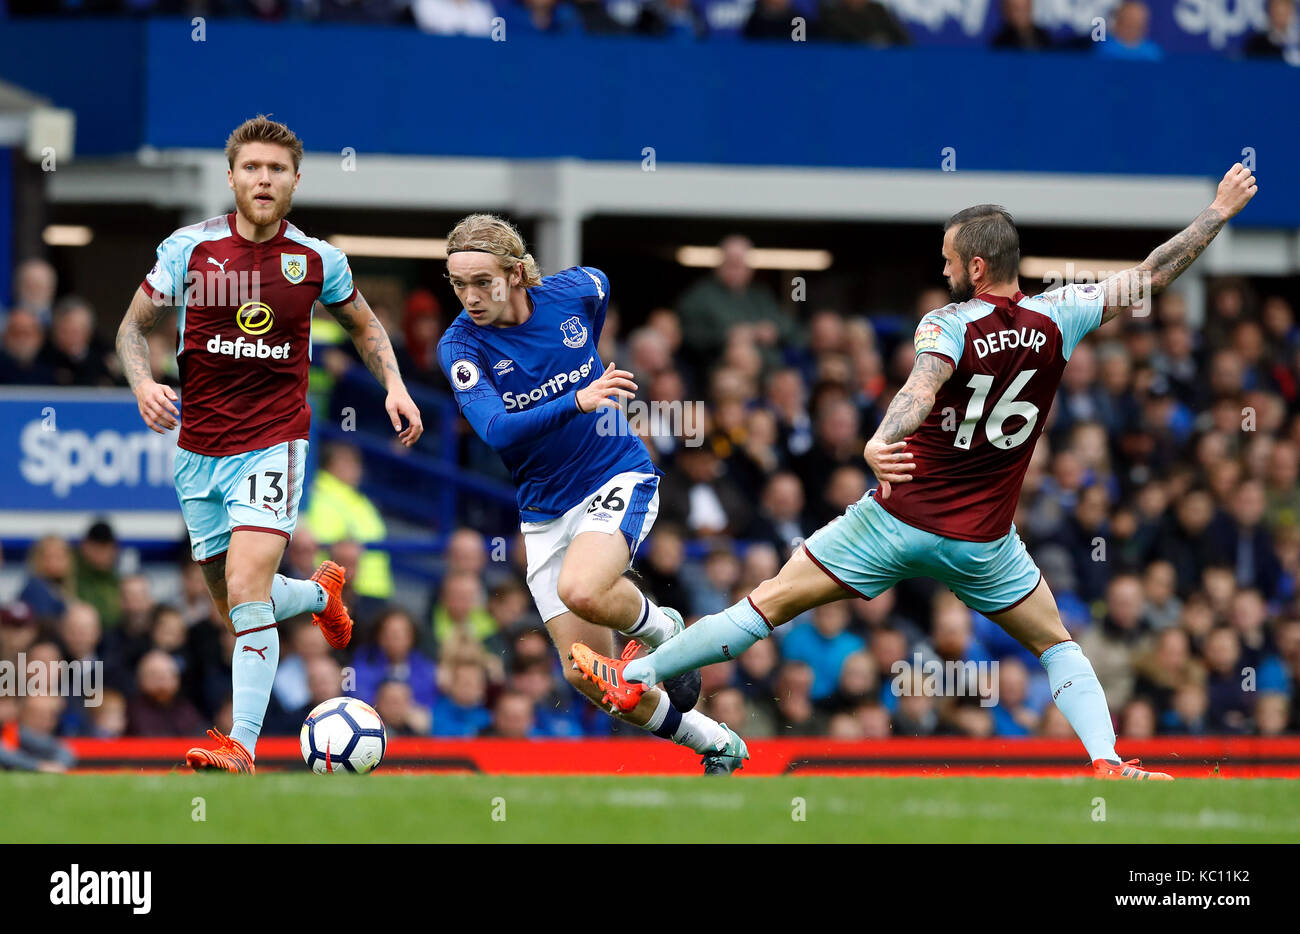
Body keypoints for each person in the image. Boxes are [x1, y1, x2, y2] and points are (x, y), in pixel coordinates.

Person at [573, 163, 1260, 781]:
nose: (945, 269)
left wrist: (880, 440)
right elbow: (1153, 273)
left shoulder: (950, 322)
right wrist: (1216, 214)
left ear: (979, 267)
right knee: (1057, 643)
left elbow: (919, 390)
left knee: (767, 604)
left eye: (950, 260)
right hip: (985, 543)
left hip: (896, 519)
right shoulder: (1064, 314)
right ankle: (1107, 759)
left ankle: (637, 676)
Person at [116, 115, 423, 773]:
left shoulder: (316, 261)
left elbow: (366, 327)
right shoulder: (189, 251)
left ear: (294, 180)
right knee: (234, 606)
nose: (263, 178)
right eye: (252, 167)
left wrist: (394, 384)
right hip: (198, 452)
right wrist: (143, 383)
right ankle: (317, 595)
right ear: (231, 177)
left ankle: (242, 747)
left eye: (276, 169)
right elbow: (132, 329)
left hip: (274, 441)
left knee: (249, 586)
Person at [436, 214, 743, 772]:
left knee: (582, 587)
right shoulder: (461, 346)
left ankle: (660, 628)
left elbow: (600, 284)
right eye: (458, 284)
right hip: (543, 510)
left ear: (516, 273)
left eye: (483, 281)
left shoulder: (576, 291)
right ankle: (714, 742)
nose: (470, 296)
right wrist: (580, 398)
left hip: (614, 472)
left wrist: (587, 387)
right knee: (587, 674)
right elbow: (497, 429)